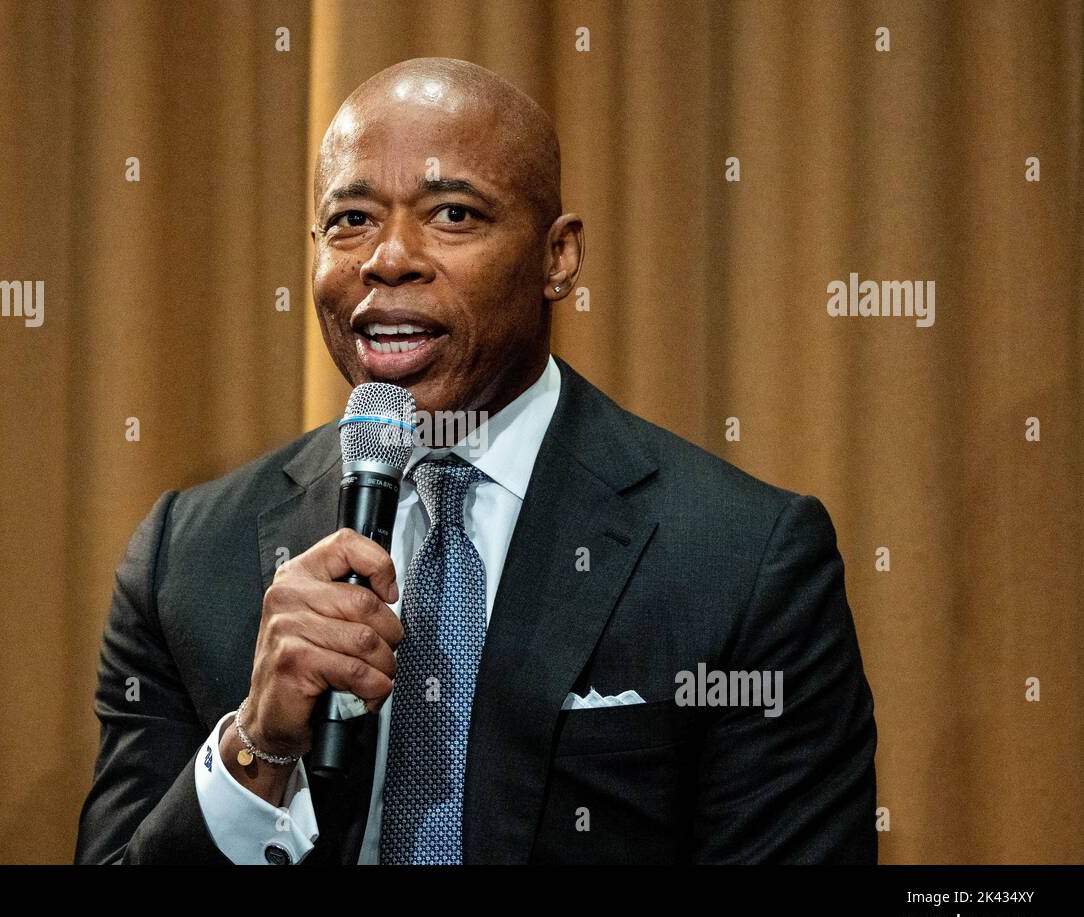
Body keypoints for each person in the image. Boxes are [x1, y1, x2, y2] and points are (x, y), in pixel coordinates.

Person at [74, 57, 877, 865]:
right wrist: (257, 749)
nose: (387, 258)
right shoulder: (186, 560)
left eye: (452, 214)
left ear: (557, 259)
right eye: (350, 219)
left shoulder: (742, 560)